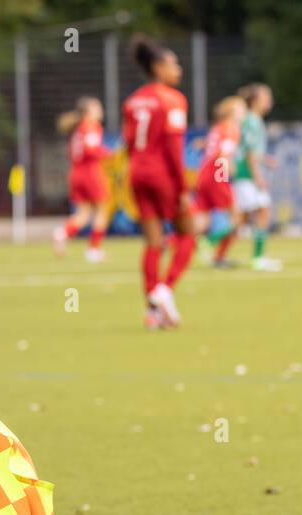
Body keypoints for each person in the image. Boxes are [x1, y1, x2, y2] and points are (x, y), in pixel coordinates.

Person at [123, 36, 194, 329]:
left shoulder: (134, 100)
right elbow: (174, 150)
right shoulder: (172, 99)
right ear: (158, 66)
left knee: (153, 243)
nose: (178, 69)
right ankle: (163, 290)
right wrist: (182, 189)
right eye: (173, 63)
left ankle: (153, 313)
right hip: (162, 174)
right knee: (189, 235)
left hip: (137, 173)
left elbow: (128, 142)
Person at [53, 96, 112, 262]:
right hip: (90, 172)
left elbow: (73, 152)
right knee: (103, 210)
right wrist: (108, 153)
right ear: (87, 112)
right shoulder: (91, 126)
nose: (100, 110)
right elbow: (91, 150)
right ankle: (93, 250)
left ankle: (62, 233)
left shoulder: (78, 129)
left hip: (76, 173)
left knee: (84, 213)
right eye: (97, 107)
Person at [232, 83, 282, 271]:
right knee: (262, 213)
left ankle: (209, 244)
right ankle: (258, 258)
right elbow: (250, 154)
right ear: (255, 101)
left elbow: (249, 150)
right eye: (266, 97)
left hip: (245, 174)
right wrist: (258, 177)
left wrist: (265, 160)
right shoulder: (253, 121)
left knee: (242, 219)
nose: (270, 101)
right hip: (248, 176)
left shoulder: (250, 120)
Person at [193, 95, 245, 269]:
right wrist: (225, 175)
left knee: (202, 219)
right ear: (232, 112)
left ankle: (171, 243)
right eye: (241, 109)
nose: (243, 113)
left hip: (203, 175)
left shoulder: (217, 128)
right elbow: (223, 154)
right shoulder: (232, 129)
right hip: (217, 175)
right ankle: (216, 250)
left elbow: (211, 147)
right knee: (237, 217)